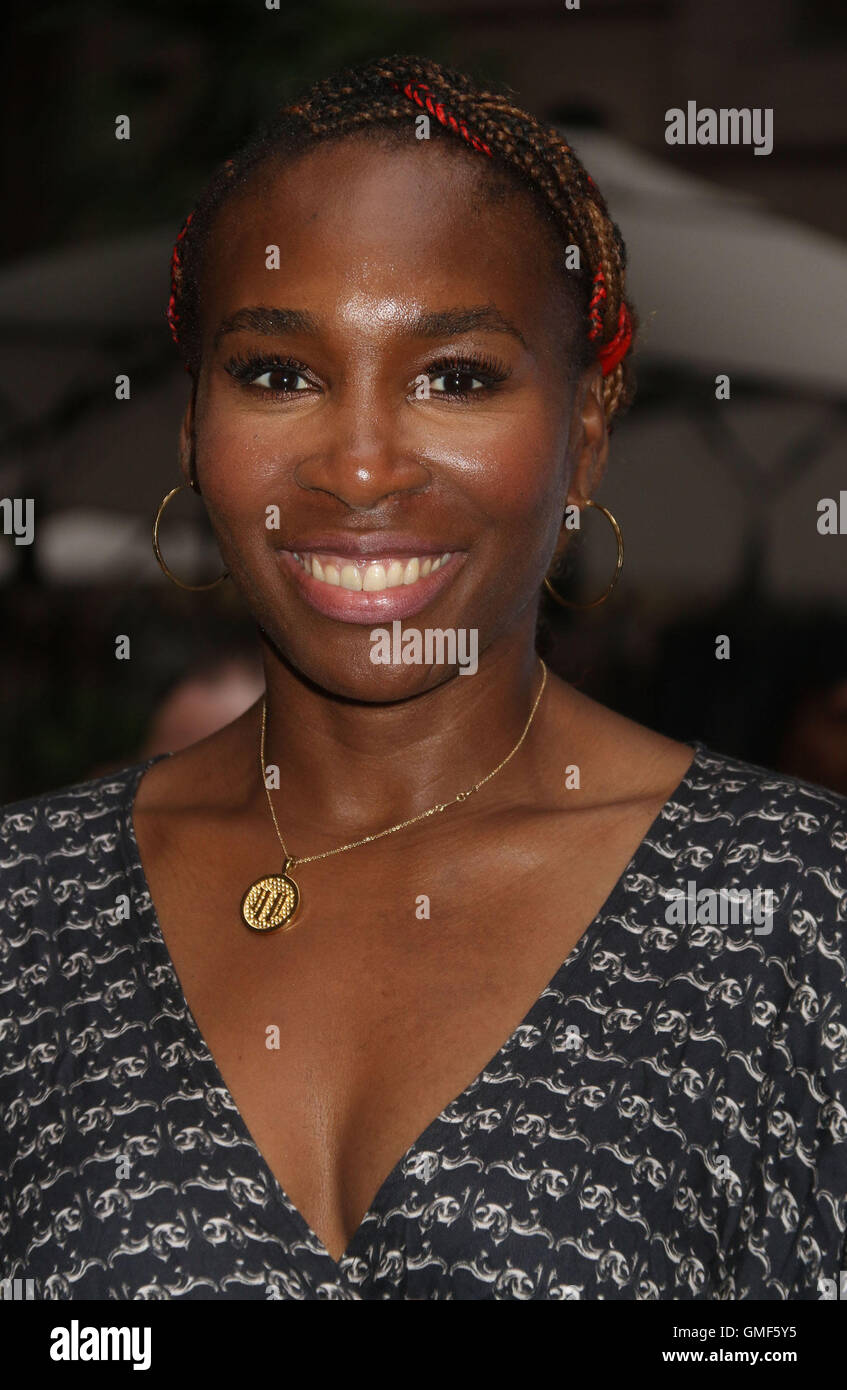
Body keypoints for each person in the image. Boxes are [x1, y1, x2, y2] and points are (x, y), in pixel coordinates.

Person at [1, 55, 844, 1302]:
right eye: (278, 374)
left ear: (586, 436)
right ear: (193, 427)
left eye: (456, 375)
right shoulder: (26, 915)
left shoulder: (797, 917)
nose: (358, 466)